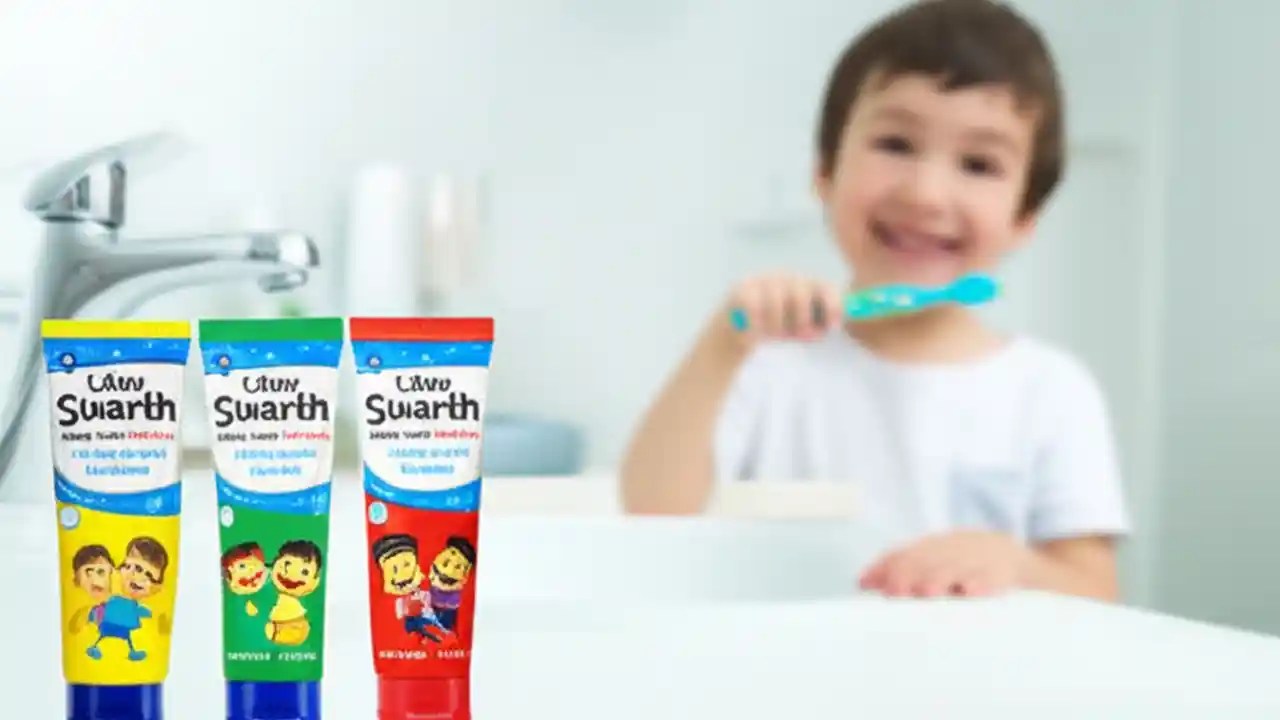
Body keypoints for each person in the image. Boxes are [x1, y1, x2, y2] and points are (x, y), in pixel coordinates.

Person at [620, 0, 1128, 601]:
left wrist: (1011, 561)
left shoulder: (1050, 391)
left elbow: (1096, 591)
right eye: (895, 144)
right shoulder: (767, 363)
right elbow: (651, 513)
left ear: (1023, 218)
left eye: (978, 163)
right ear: (825, 173)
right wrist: (721, 346)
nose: (926, 192)